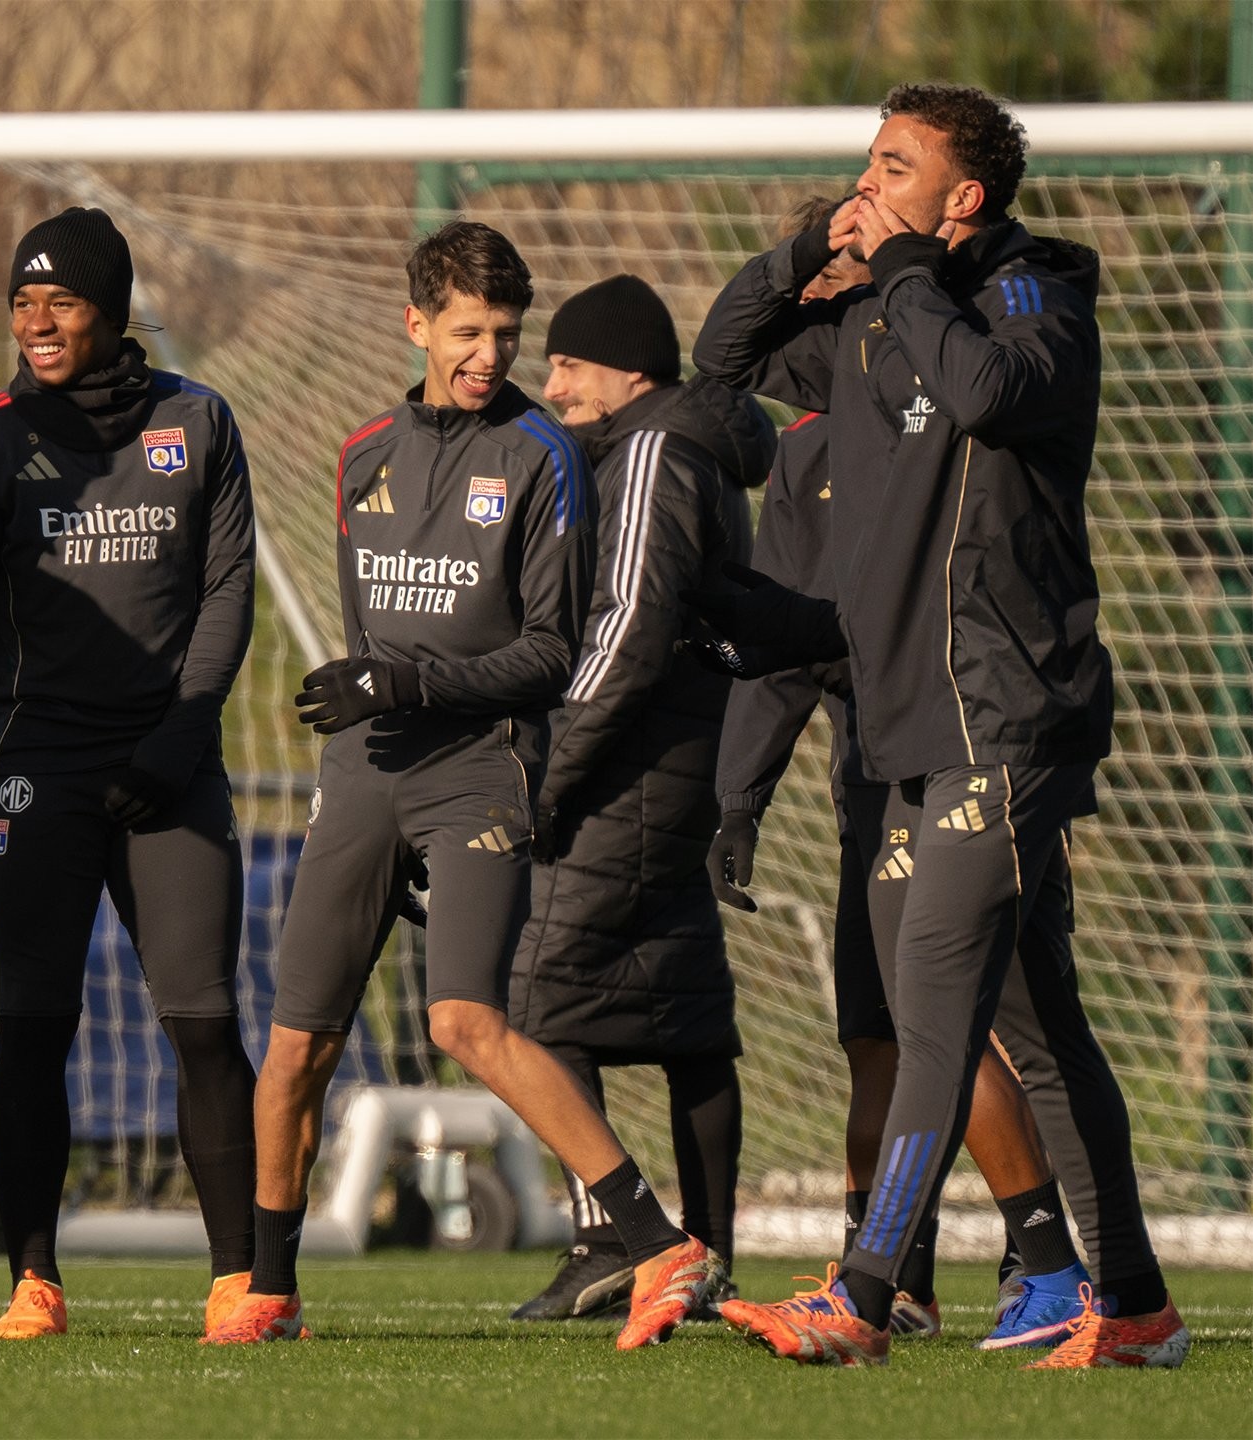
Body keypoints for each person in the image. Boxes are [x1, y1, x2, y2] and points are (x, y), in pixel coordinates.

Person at [689, 83, 1187, 1368]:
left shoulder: (1030, 299)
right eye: (867, 160)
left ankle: (863, 1296)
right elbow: (726, 360)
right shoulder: (870, 324)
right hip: (911, 724)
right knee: (1039, 1029)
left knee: (929, 1006)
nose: (869, 182)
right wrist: (811, 252)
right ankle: (1128, 1306)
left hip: (1006, 718)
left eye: (894, 165)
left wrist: (904, 268)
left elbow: (980, 392)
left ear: (960, 198)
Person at [206, 222, 724, 1350]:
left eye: (505, 334)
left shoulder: (542, 457)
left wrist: (403, 678)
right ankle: (268, 1287)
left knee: (465, 1022)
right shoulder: (360, 456)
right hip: (364, 777)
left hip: (478, 771)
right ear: (416, 325)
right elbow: (365, 641)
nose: (489, 354)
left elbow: (550, 652)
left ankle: (657, 1241)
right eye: (468, 332)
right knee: (296, 1043)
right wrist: (371, 696)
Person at [0, 207, 259, 1341]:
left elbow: (225, 594)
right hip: (34, 769)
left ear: (111, 309)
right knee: (33, 1026)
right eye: (21, 303)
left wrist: (176, 739)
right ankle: (33, 1283)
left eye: (60, 301)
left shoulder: (195, 421)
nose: (37, 322)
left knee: (200, 1022)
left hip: (170, 768)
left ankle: (239, 1286)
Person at [503, 275, 774, 1323]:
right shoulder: (668, 446)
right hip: (678, 761)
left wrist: (549, 773)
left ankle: (613, 1239)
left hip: (630, 764)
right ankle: (706, 1253)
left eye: (570, 362)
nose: (552, 381)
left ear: (631, 371)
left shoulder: (654, 450)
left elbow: (625, 630)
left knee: (529, 1003)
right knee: (686, 1019)